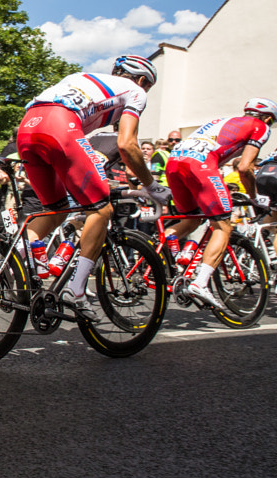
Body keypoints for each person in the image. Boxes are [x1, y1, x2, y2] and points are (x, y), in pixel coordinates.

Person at [16, 55, 170, 320]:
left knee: (56, 210)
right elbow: (127, 144)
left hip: (28, 127)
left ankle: (15, 261)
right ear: (143, 80)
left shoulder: (82, 78)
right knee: (100, 210)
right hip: (60, 126)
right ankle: (75, 291)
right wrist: (151, 185)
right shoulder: (135, 91)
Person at [162, 98, 276, 307]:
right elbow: (244, 168)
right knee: (222, 226)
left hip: (175, 163)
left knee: (191, 220)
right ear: (268, 118)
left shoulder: (225, 120)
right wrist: (254, 197)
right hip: (200, 166)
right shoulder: (260, 126)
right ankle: (201, 282)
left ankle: (151, 252)